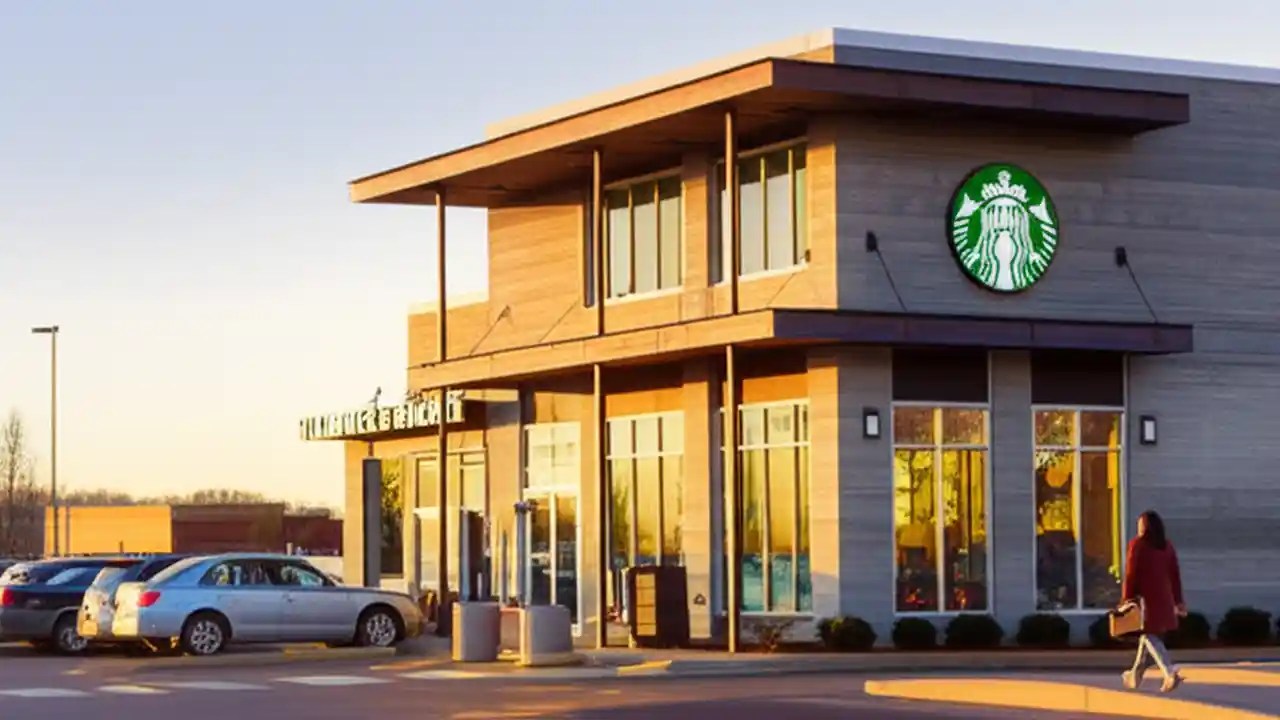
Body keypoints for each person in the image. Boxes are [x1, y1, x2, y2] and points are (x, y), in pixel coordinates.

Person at [1121, 510, 1186, 693]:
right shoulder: (1167, 546)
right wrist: (1178, 601)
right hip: (1164, 598)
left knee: (1148, 635)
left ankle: (1169, 671)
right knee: (1147, 637)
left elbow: (1131, 574)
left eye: (1140, 524)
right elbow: (1175, 575)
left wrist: (1127, 599)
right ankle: (1134, 676)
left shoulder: (1138, 545)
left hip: (1145, 601)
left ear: (1144, 527)